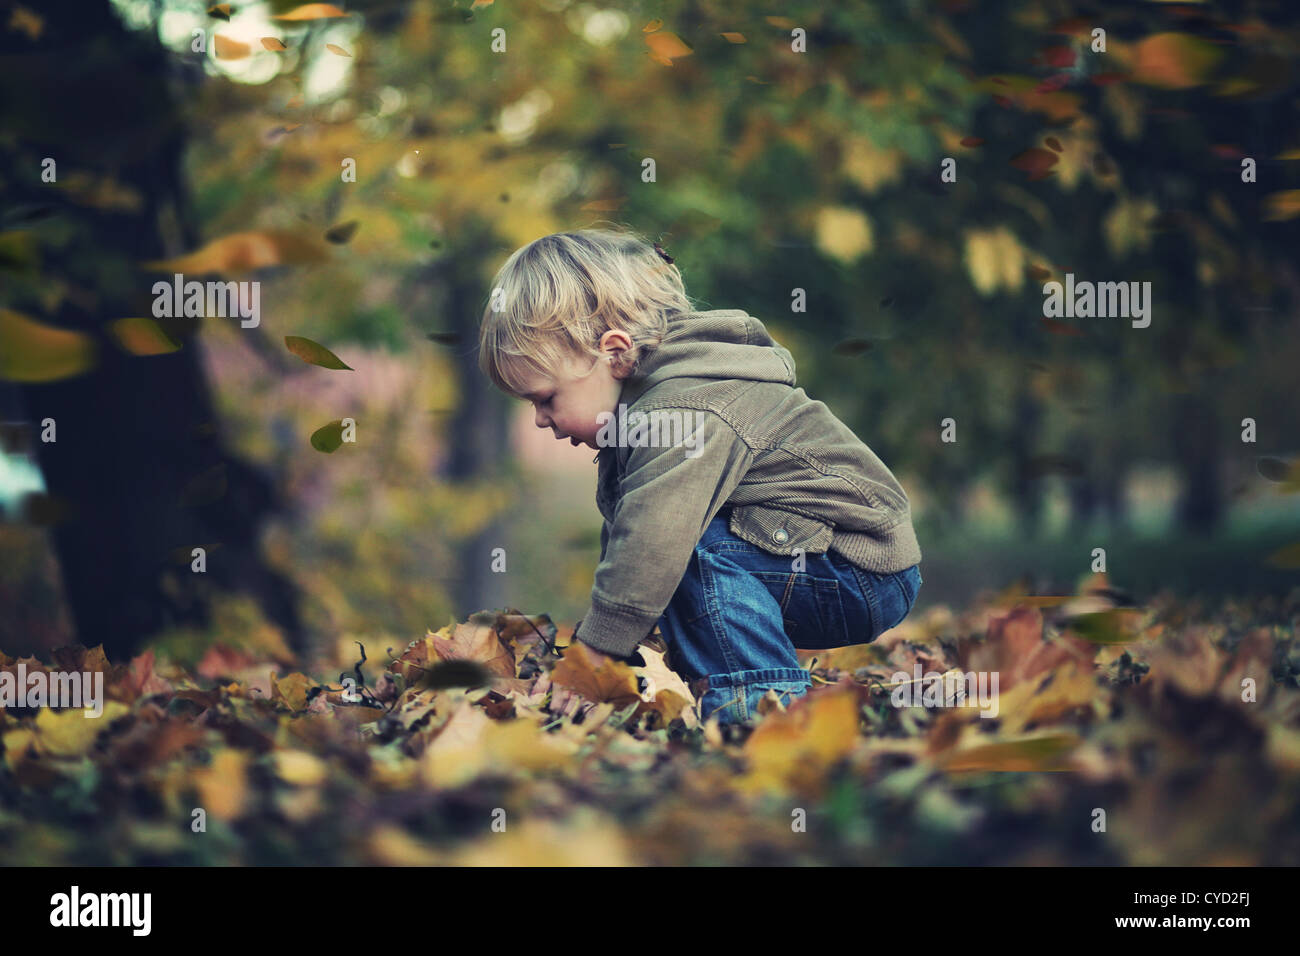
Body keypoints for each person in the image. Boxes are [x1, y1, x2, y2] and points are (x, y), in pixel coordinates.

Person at [477, 226, 922, 725]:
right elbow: (627, 545)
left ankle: (761, 715)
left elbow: (651, 545)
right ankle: (717, 694)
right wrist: (605, 650)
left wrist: (593, 660)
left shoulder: (684, 410)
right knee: (672, 553)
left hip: (856, 568)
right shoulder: (645, 413)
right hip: (813, 555)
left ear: (615, 351)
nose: (540, 419)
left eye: (546, 398)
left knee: (682, 547)